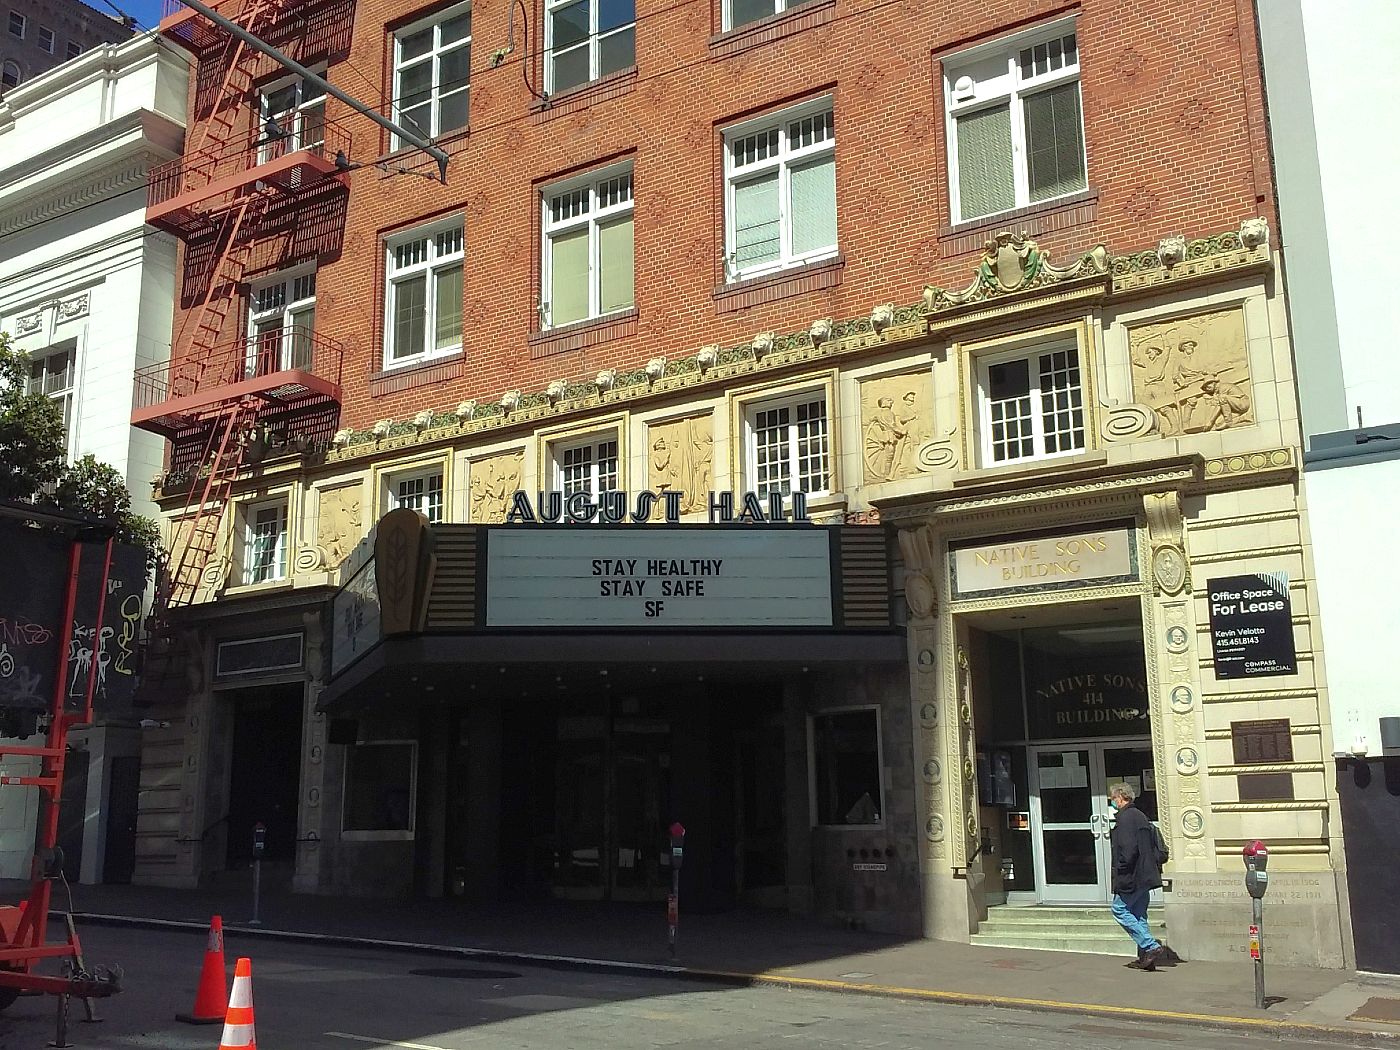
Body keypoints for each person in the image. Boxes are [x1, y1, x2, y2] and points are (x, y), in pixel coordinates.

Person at [1107, 782, 1180, 970]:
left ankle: (1150, 946)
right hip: (1146, 875)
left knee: (1120, 910)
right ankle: (1146, 959)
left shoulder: (1126, 819)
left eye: (1113, 798)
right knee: (1139, 915)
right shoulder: (1140, 816)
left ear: (1121, 797)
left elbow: (1128, 850)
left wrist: (1121, 869)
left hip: (1132, 876)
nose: (1111, 801)